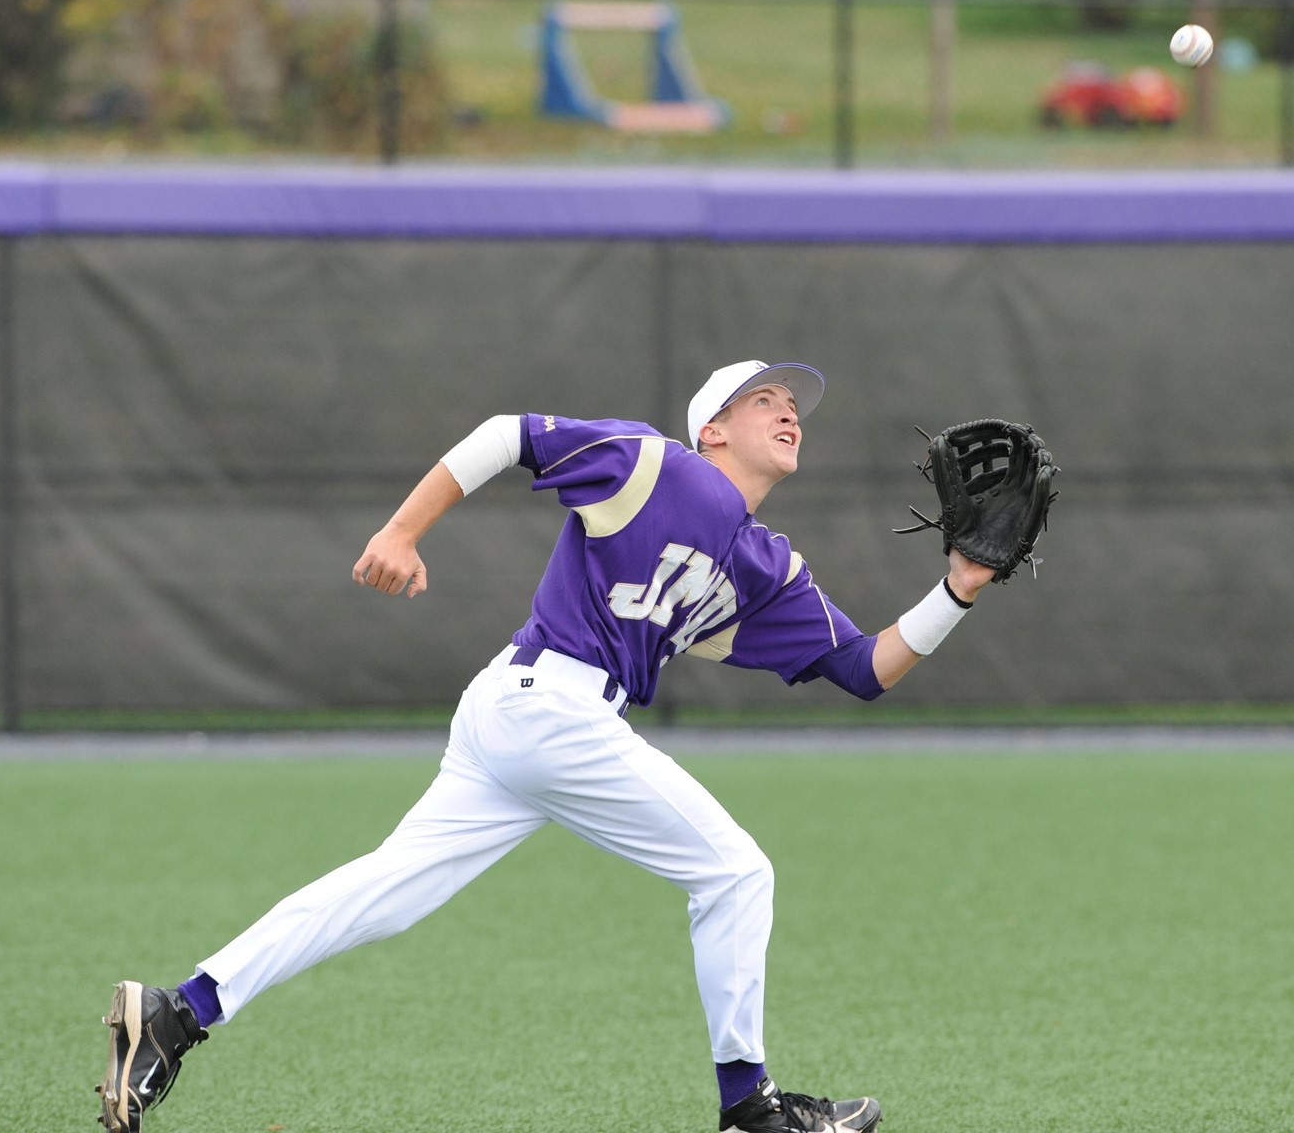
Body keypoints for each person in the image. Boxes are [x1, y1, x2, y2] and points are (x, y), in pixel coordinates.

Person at [98, 360, 996, 1133]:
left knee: (390, 889)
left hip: (521, 714)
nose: (789, 408)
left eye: (793, 401)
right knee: (735, 873)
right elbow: (507, 433)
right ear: (714, 429)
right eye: (764, 398)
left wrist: (956, 590)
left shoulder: (763, 564)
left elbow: (863, 666)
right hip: (548, 705)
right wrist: (402, 531)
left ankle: (181, 1011)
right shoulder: (656, 465)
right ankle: (750, 1107)